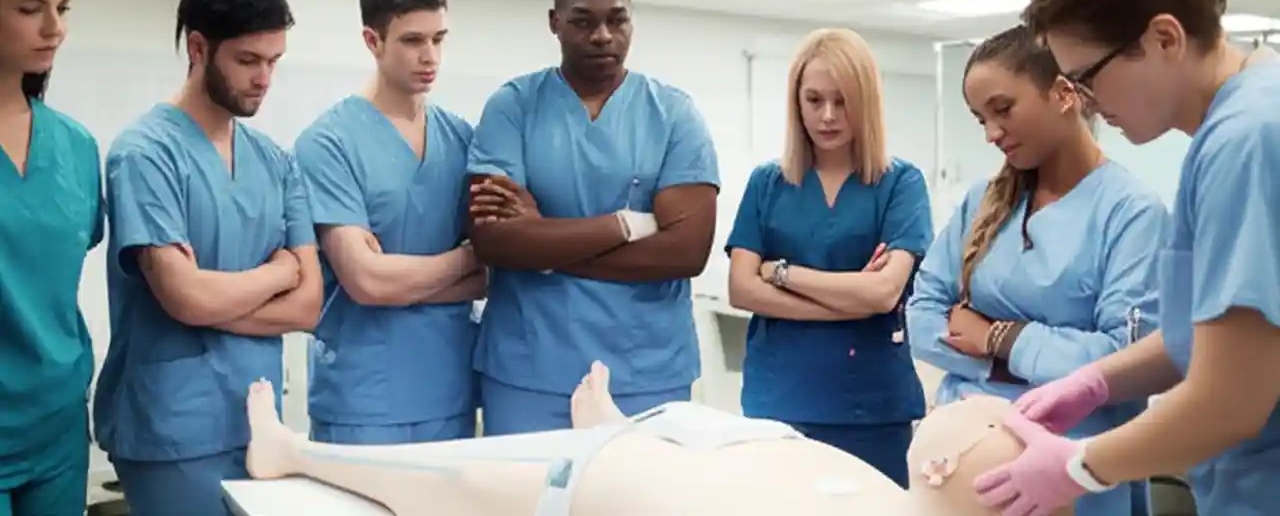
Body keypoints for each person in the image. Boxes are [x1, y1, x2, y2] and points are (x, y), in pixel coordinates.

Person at [968, 0, 1280, 516]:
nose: (1084, 103)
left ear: (1164, 38)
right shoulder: (1243, 120)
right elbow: (1216, 336)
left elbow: (1232, 399)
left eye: (1086, 78)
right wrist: (1098, 381)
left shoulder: (1245, 140)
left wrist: (1080, 467)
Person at [237, 362, 1071, 516]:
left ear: (942, 462)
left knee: (450, 479)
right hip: (688, 439)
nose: (971, 399)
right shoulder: (887, 494)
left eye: (983, 410)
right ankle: (618, 422)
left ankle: (294, 452)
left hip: (599, 479)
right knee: (720, 423)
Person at [906, 24, 1167, 516]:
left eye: (1003, 109)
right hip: (962, 464)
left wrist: (997, 337)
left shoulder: (1131, 212)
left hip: (1070, 471)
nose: (991, 133)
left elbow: (1123, 359)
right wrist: (1009, 360)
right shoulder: (982, 202)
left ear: (1064, 93)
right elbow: (922, 319)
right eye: (980, 119)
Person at [93, 0, 323, 516]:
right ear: (198, 48)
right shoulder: (146, 155)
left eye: (273, 61)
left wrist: (203, 300)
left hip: (257, 422)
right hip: (171, 427)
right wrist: (277, 273)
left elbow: (309, 305)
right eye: (247, 60)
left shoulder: (276, 162)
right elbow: (187, 298)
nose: (264, 78)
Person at [465, 0, 720, 435]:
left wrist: (543, 245)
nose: (602, 35)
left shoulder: (673, 115)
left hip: (645, 369)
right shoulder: (513, 107)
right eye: (583, 22)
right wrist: (628, 225)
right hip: (530, 367)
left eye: (617, 20)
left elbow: (686, 252)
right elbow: (494, 242)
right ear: (555, 22)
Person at [724, 27, 933, 487]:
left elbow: (883, 293)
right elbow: (741, 289)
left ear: (866, 101)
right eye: (814, 100)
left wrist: (781, 273)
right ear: (796, 102)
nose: (828, 116)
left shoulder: (901, 184)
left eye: (843, 101)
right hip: (780, 401)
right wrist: (849, 299)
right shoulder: (767, 183)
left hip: (871, 406)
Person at [294, 0, 485, 446]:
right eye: (412, 40)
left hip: (451, 388)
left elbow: (494, 275)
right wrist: (467, 257)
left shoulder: (462, 139)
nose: (430, 56)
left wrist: (401, 282)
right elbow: (368, 281)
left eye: (439, 39)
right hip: (364, 397)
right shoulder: (329, 143)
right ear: (372, 41)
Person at [0, 0, 102, 516]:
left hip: (56, 423)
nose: (54, 28)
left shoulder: (75, 145)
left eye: (62, 9)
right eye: (30, 9)